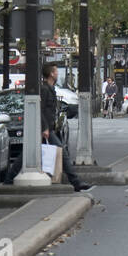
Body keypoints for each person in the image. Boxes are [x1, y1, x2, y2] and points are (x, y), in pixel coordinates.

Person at [41, 62, 91, 192]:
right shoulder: (45, 89)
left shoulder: (50, 89)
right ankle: (76, 182)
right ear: (51, 74)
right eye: (56, 71)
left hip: (50, 128)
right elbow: (40, 111)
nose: (58, 73)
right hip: (46, 129)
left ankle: (8, 179)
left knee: (26, 156)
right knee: (62, 152)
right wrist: (45, 127)